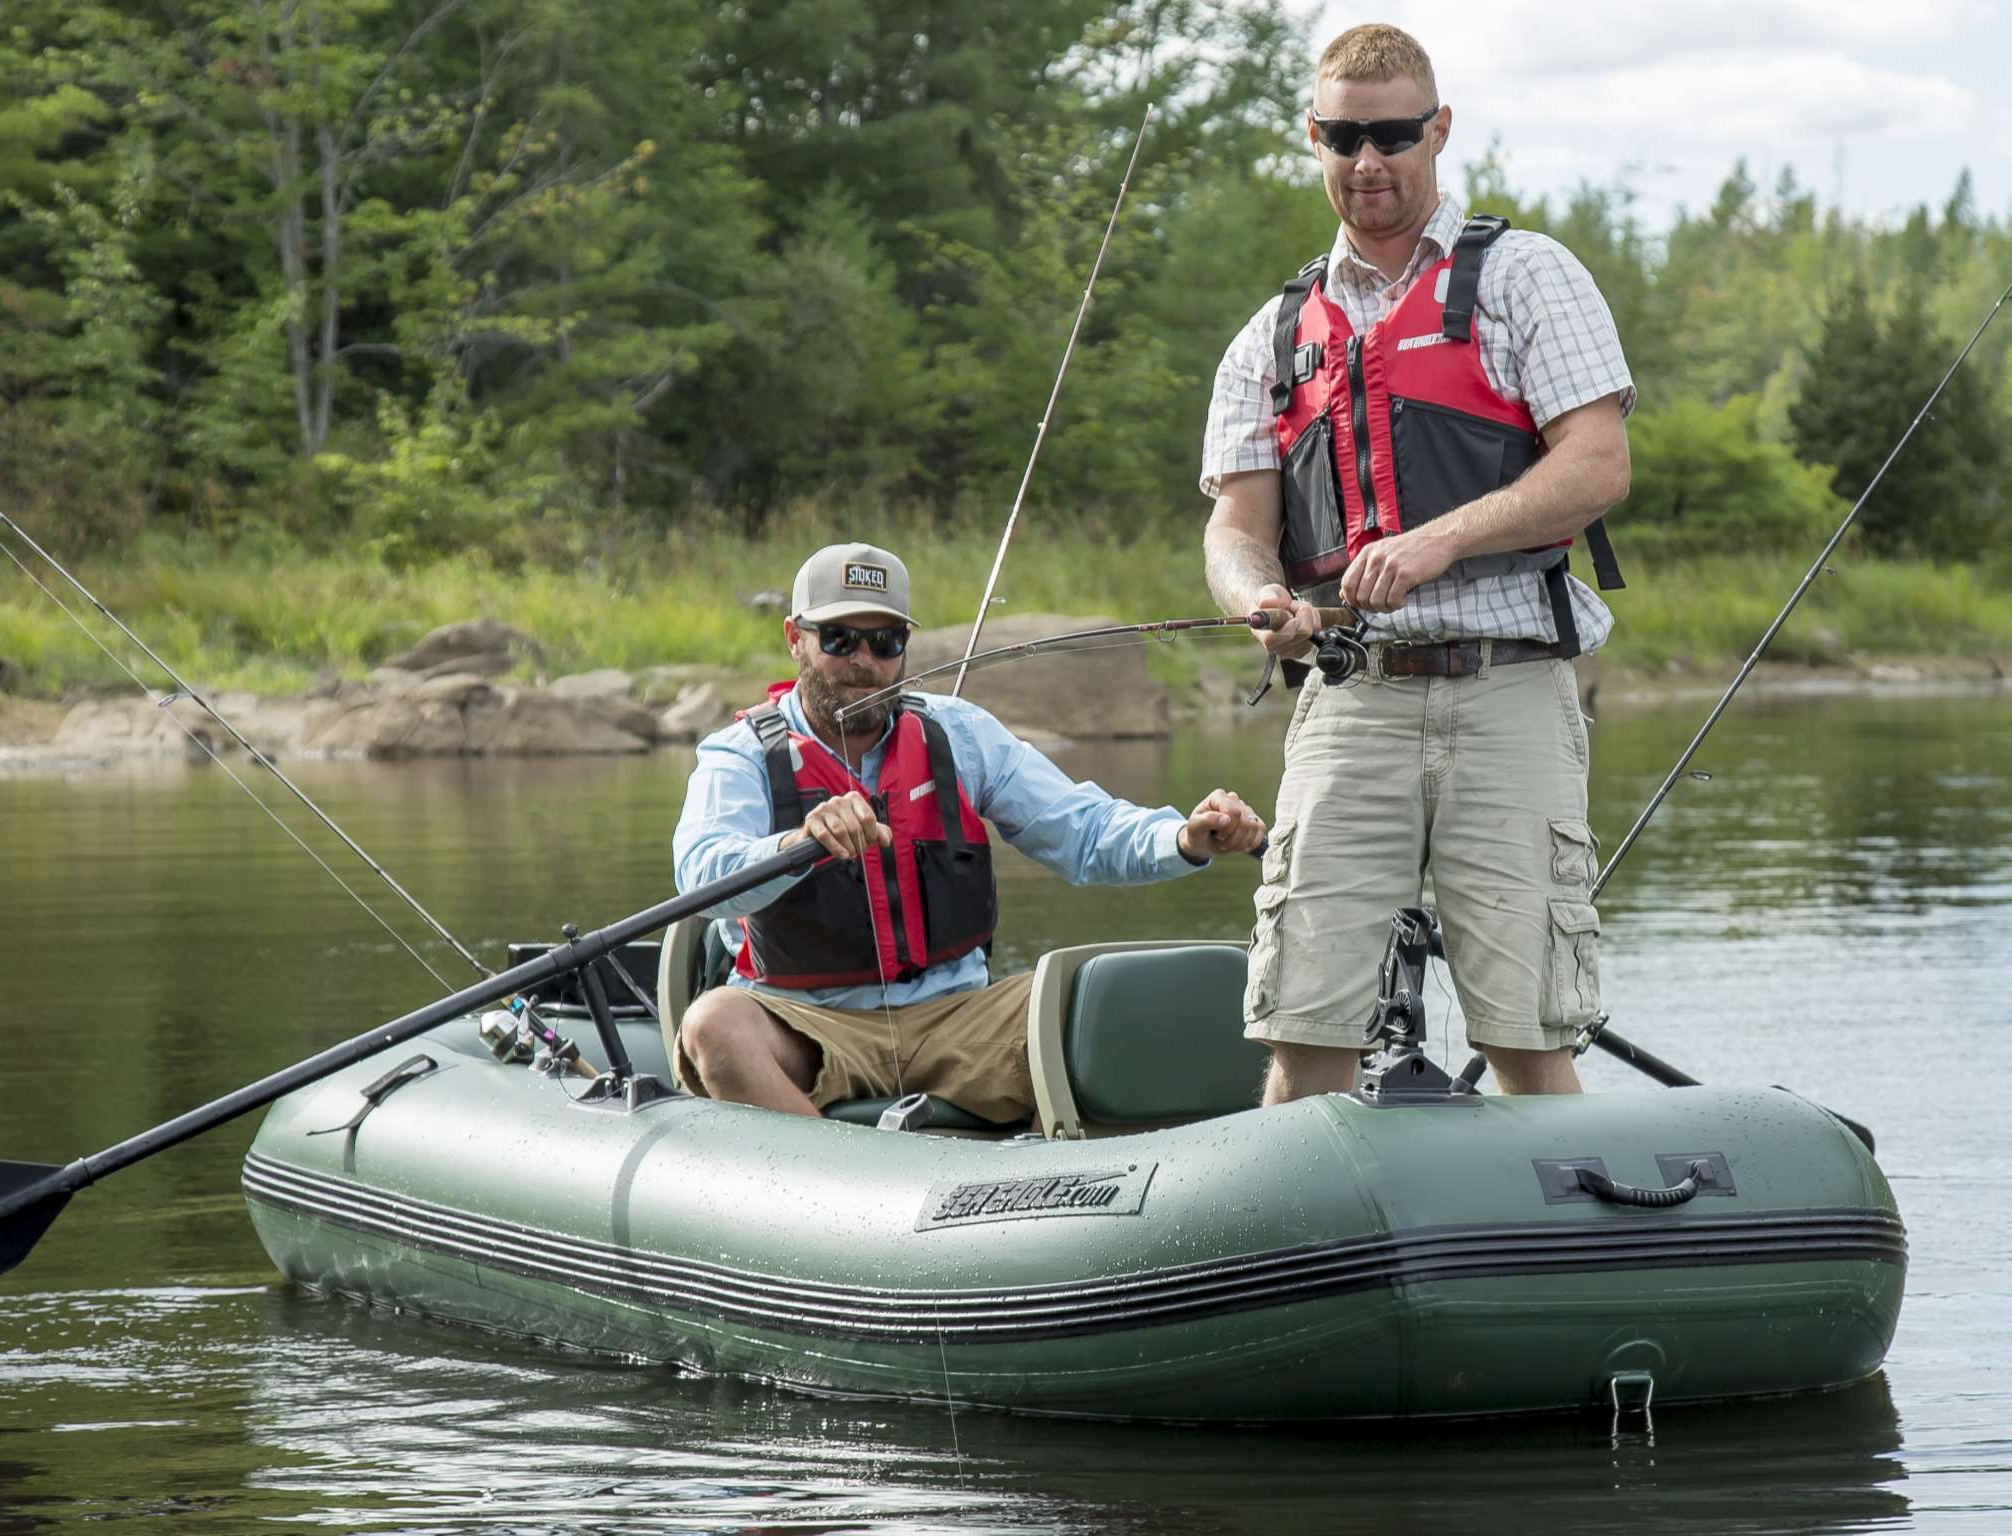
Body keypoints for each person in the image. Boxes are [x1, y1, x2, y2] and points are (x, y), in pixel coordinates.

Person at [1197, 23, 1635, 1105]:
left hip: (1510, 688)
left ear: (1438, 130)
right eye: (1346, 137)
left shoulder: (1527, 276)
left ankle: (1553, 1256)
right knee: (1305, 1029)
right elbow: (1234, 526)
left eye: (1394, 133)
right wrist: (1259, 597)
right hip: (1352, 702)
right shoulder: (1272, 331)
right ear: (1315, 138)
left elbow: (1599, 465)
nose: (1370, 161)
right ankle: (1297, 1256)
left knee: (1532, 1030)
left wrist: (1441, 537)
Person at [671, 541, 1266, 1119]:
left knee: (1110, 998)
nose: (864, 661)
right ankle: (837, 1189)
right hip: (806, 1020)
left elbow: (1083, 830)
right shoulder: (740, 754)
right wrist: (799, 843)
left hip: (958, 1015)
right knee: (713, 1025)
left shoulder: (960, 734)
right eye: (839, 639)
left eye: (885, 641)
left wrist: (1184, 839)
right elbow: (702, 874)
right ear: (794, 640)